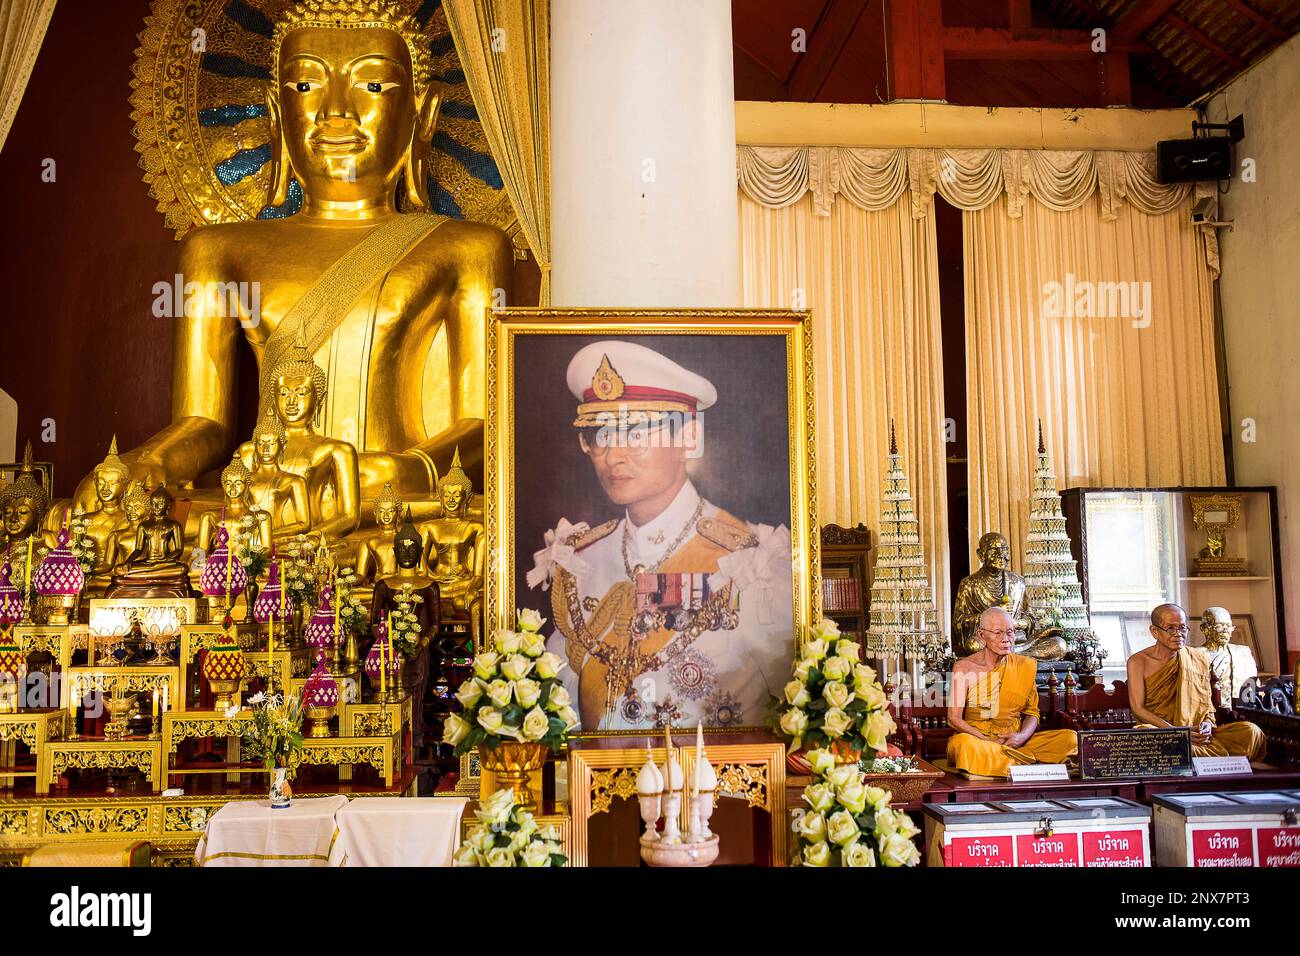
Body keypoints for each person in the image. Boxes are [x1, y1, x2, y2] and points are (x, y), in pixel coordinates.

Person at [528, 340, 792, 732]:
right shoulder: (581, 559)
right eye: (599, 435)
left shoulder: (753, 562)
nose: (613, 455)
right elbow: (555, 711)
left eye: (635, 434)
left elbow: (794, 711)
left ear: (687, 437)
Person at [946, 607, 1078, 777]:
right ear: (981, 635)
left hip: (1015, 741)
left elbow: (1032, 713)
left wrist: (1021, 736)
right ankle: (1028, 766)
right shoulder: (964, 667)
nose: (1006, 639)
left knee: (1070, 738)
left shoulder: (1024, 665)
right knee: (964, 746)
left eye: (1010, 632)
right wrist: (986, 740)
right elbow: (953, 718)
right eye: (997, 633)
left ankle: (1011, 763)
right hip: (978, 739)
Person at [1127, 603, 1266, 759]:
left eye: (1182, 628)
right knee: (1146, 735)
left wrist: (1206, 725)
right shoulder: (1138, 661)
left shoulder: (1198, 657)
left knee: (1251, 732)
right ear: (1155, 632)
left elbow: (1206, 706)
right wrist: (1177, 732)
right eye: (1171, 628)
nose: (1178, 634)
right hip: (1163, 732)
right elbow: (1138, 708)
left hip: (1196, 734)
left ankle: (1195, 756)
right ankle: (1207, 758)